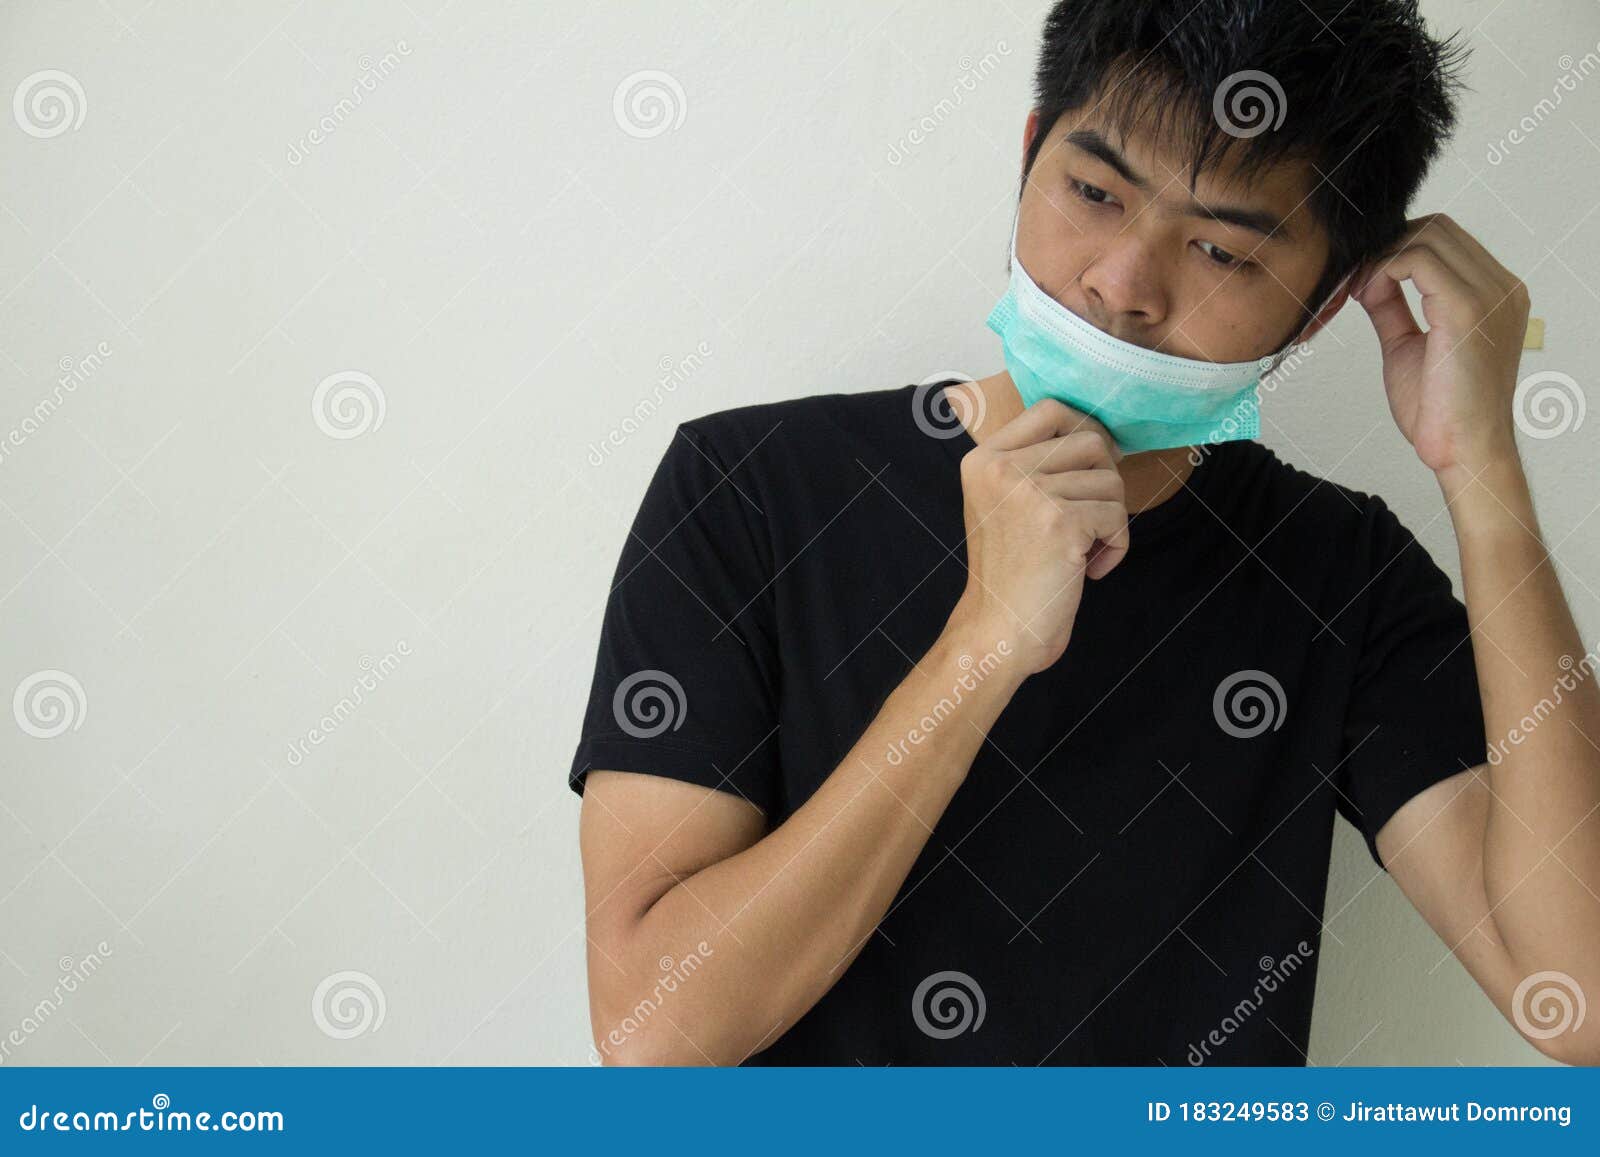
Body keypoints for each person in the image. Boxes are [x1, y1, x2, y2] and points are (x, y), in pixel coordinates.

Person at [567, 0, 1600, 1065]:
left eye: (1221, 250)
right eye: (1094, 193)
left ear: (1323, 305)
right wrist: (982, 643)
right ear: (1029, 154)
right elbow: (653, 1031)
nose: (1121, 284)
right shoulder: (748, 488)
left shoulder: (1339, 573)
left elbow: (1579, 999)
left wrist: (1480, 466)